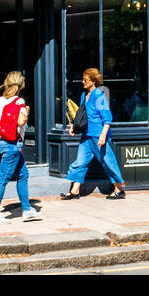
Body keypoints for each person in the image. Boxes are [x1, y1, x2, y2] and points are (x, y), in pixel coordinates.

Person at [61, 68, 126, 200]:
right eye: (82, 80)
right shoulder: (83, 95)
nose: (83, 82)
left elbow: (107, 118)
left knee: (108, 162)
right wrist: (74, 127)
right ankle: (74, 191)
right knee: (80, 162)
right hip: (86, 136)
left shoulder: (99, 95)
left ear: (93, 81)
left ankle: (119, 189)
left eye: (85, 80)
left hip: (98, 135)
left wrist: (103, 136)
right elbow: (81, 115)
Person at [0, 71, 41, 222]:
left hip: (2, 143)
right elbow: (21, 122)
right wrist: (27, 111)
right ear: (20, 85)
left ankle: (26, 210)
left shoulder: (0, 101)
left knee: (23, 174)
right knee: (3, 178)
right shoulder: (19, 101)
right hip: (13, 145)